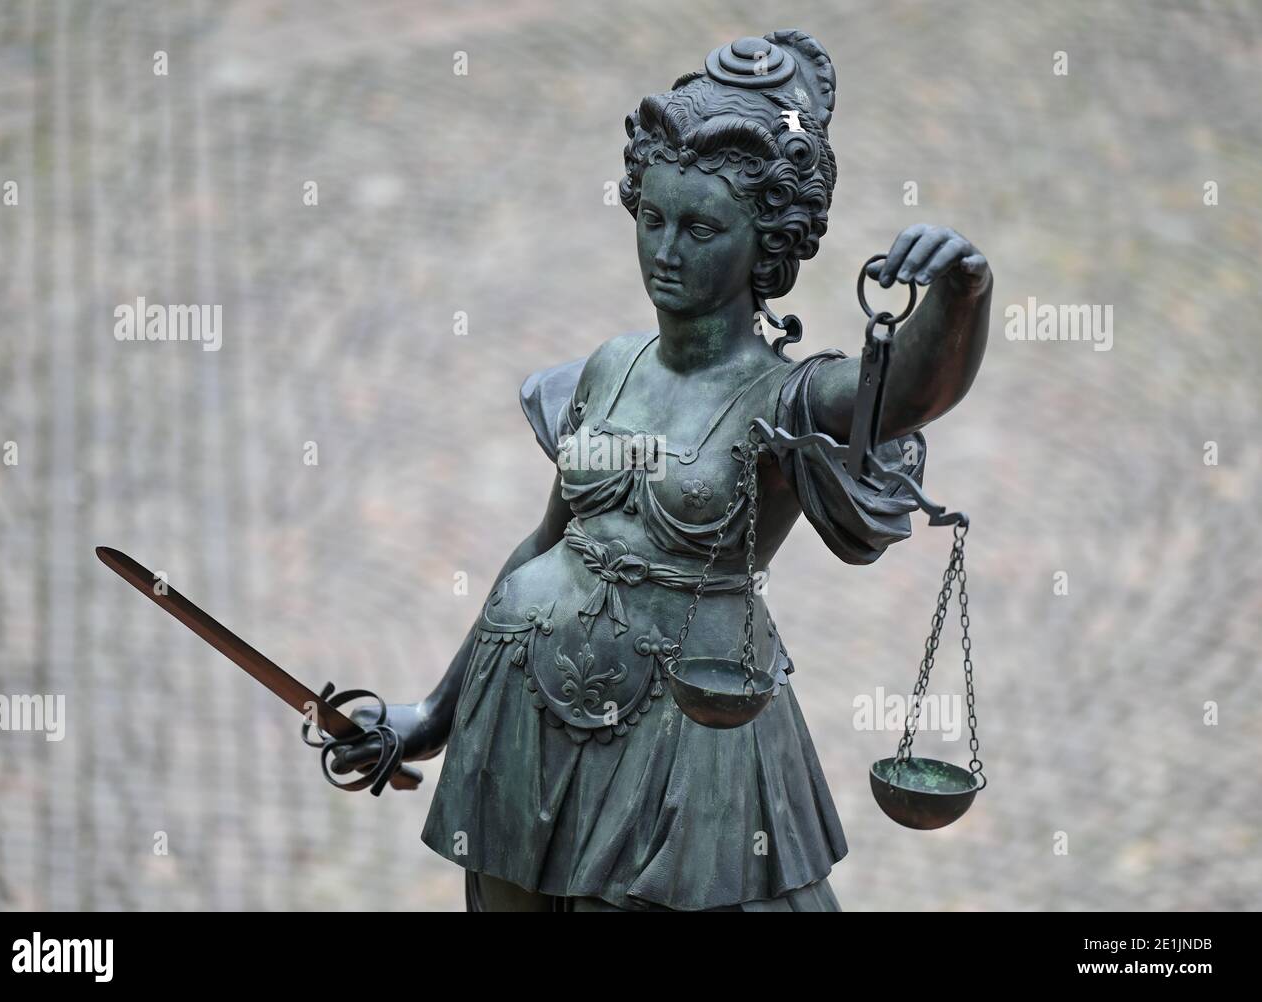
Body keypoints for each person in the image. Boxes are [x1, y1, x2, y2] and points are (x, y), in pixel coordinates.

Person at [329, 30, 991, 912]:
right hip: (520, 710)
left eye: (703, 228)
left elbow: (904, 391)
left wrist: (962, 293)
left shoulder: (788, 398)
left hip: (689, 741)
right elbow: (545, 544)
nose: (666, 251)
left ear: (768, 243)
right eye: (653, 218)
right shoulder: (609, 367)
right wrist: (433, 715)